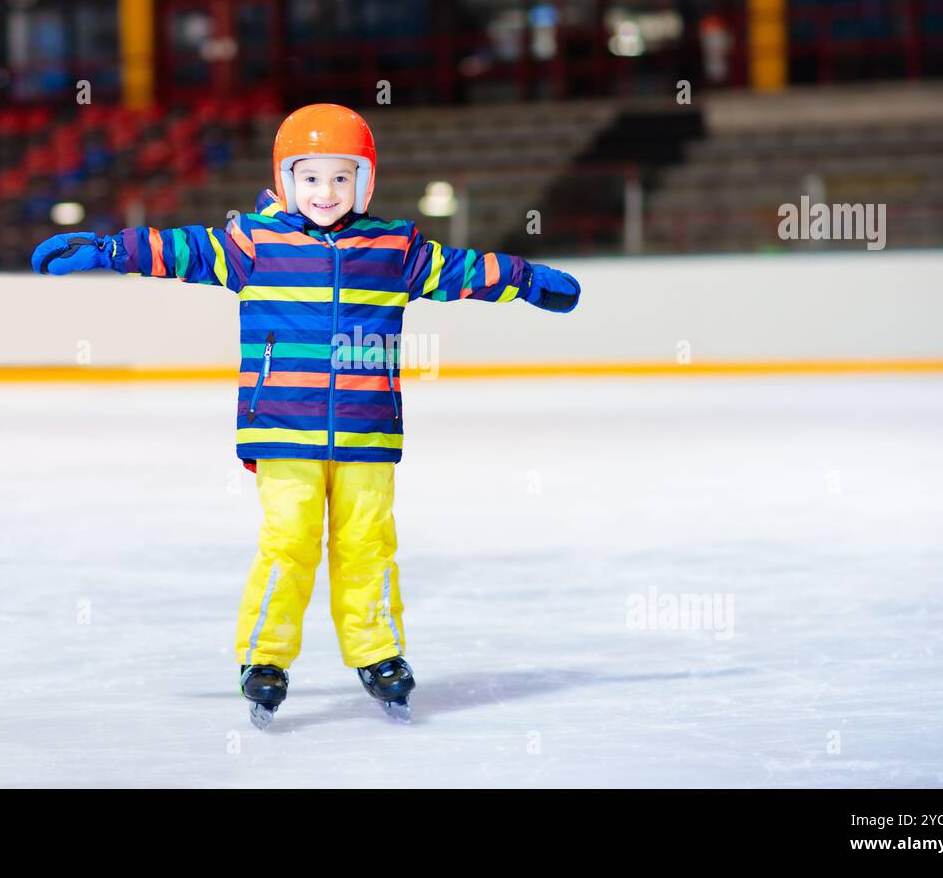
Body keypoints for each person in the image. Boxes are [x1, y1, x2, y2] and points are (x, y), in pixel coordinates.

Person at [32, 103, 581, 728]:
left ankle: (378, 654)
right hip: (281, 425)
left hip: (367, 429)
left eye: (342, 177)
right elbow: (178, 250)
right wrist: (107, 250)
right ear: (287, 180)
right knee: (287, 541)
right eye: (312, 177)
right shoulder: (253, 244)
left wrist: (527, 279)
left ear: (365, 181)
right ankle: (264, 658)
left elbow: (464, 272)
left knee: (368, 544)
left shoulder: (392, 249)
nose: (327, 192)